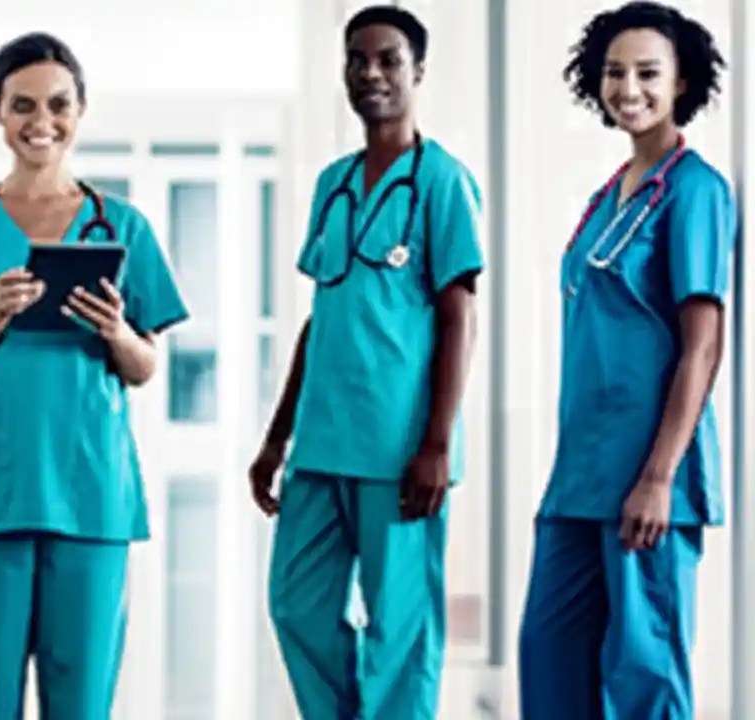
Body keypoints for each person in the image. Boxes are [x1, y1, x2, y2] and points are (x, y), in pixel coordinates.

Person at [0, 32, 188, 720]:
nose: (40, 121)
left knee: (81, 705)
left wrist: (115, 330)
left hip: (91, 497)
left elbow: (145, 367)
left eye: (58, 104)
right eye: (21, 105)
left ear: (81, 110)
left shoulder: (124, 227)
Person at [249, 6, 484, 719]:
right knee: (296, 604)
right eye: (357, 61)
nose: (370, 74)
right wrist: (275, 437)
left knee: (401, 628)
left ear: (418, 72)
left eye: (387, 60)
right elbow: (323, 319)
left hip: (399, 448)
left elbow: (457, 315)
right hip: (322, 441)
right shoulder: (333, 185)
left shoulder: (442, 181)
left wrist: (436, 443)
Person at [517, 3, 733, 718]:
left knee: (642, 677)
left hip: (649, 477)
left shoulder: (696, 191)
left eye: (648, 72)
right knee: (549, 666)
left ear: (681, 83)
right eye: (614, 72)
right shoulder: (605, 197)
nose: (628, 88)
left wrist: (659, 476)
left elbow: (702, 343)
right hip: (579, 474)